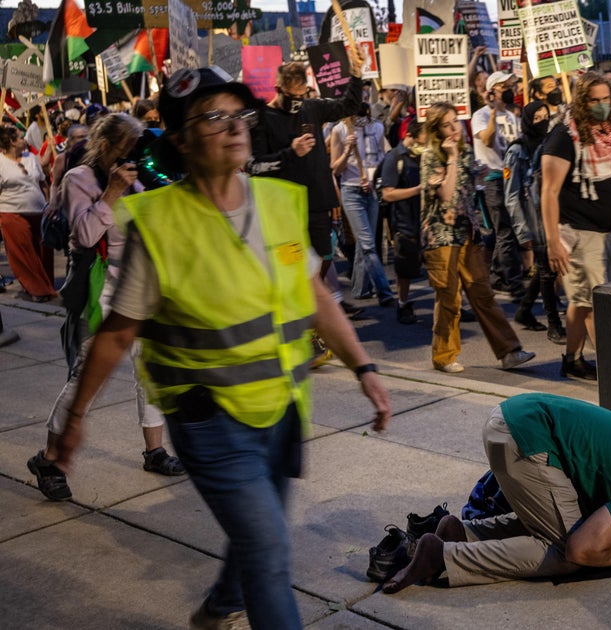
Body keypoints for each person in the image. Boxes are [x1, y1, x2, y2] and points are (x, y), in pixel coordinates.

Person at [50, 68, 392, 629]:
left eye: (239, 115)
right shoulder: (158, 223)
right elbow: (116, 331)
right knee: (269, 550)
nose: (234, 127)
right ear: (182, 139)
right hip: (208, 420)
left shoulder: (280, 202)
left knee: (257, 540)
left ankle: (218, 608)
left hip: (280, 409)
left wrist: (365, 368)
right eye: (213, 117)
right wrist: (76, 417)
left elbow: (314, 293)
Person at [381, 393, 611, 592]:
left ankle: (464, 534)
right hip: (525, 438)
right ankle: (441, 557)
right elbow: (580, 549)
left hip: (510, 421)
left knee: (564, 525)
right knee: (565, 554)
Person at [26, 113, 186, 503]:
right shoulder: (79, 179)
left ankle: (154, 450)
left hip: (143, 287)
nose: (139, 153)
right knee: (84, 381)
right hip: (101, 294)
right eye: (130, 146)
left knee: (150, 374)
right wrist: (113, 191)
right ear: (107, 147)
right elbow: (83, 234)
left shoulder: (145, 176)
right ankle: (50, 459)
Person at [420, 101, 535, 374]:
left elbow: (473, 187)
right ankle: (444, 356)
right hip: (441, 236)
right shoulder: (431, 156)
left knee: (482, 293)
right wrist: (450, 159)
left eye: (456, 122)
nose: (454, 129)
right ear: (436, 130)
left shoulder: (465, 151)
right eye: (447, 125)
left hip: (467, 233)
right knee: (449, 298)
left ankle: (509, 351)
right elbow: (446, 196)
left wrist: (481, 174)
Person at [248, 59, 364, 320]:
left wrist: (356, 75)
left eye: (303, 94)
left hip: (317, 203)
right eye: (292, 95)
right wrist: (292, 152)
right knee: (291, 266)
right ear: (278, 88)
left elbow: (349, 105)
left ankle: (308, 316)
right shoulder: (263, 119)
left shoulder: (311, 109)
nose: (298, 101)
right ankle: (297, 317)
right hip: (283, 211)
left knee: (322, 258)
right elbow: (254, 165)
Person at [542, 73, 611, 382]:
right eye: (596, 100)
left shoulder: (607, 132)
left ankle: (572, 359)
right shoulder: (565, 137)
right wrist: (553, 241)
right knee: (594, 303)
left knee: (581, 303)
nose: (603, 105)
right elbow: (549, 191)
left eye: (607, 99)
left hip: (610, 230)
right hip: (580, 233)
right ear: (582, 101)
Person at [506, 101, 566, 343]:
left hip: (551, 213)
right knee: (547, 271)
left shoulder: (548, 143)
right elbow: (511, 196)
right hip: (533, 218)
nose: (542, 122)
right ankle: (554, 324)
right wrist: (523, 232)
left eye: (545, 117)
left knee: (545, 269)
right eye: (537, 118)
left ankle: (524, 310)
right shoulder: (516, 151)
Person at [330, 104, 396, 307]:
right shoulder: (339, 130)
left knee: (363, 242)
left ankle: (360, 289)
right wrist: (347, 149)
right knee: (367, 244)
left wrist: (376, 180)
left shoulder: (377, 127)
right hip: (352, 192)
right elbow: (335, 168)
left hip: (371, 191)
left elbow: (384, 156)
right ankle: (384, 292)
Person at [472, 71, 525, 296]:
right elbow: (487, 139)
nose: (510, 89)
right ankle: (511, 281)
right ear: (492, 91)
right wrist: (493, 110)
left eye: (510, 85)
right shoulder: (481, 115)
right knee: (504, 230)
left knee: (508, 230)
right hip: (492, 179)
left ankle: (496, 276)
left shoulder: (513, 117)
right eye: (504, 86)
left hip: (511, 178)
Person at [0, 124, 53, 302]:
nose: (25, 139)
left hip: (39, 211)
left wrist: (49, 203)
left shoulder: (31, 157)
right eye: (20, 137)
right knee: (23, 254)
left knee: (43, 250)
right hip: (12, 213)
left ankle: (47, 286)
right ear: (12, 142)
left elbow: (42, 182)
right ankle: (37, 290)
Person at [380, 123, 425, 325]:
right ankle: (403, 304)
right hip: (404, 221)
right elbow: (388, 194)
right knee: (404, 268)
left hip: (425, 221)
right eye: (425, 136)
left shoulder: (425, 156)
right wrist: (418, 189)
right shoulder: (395, 158)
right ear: (411, 136)